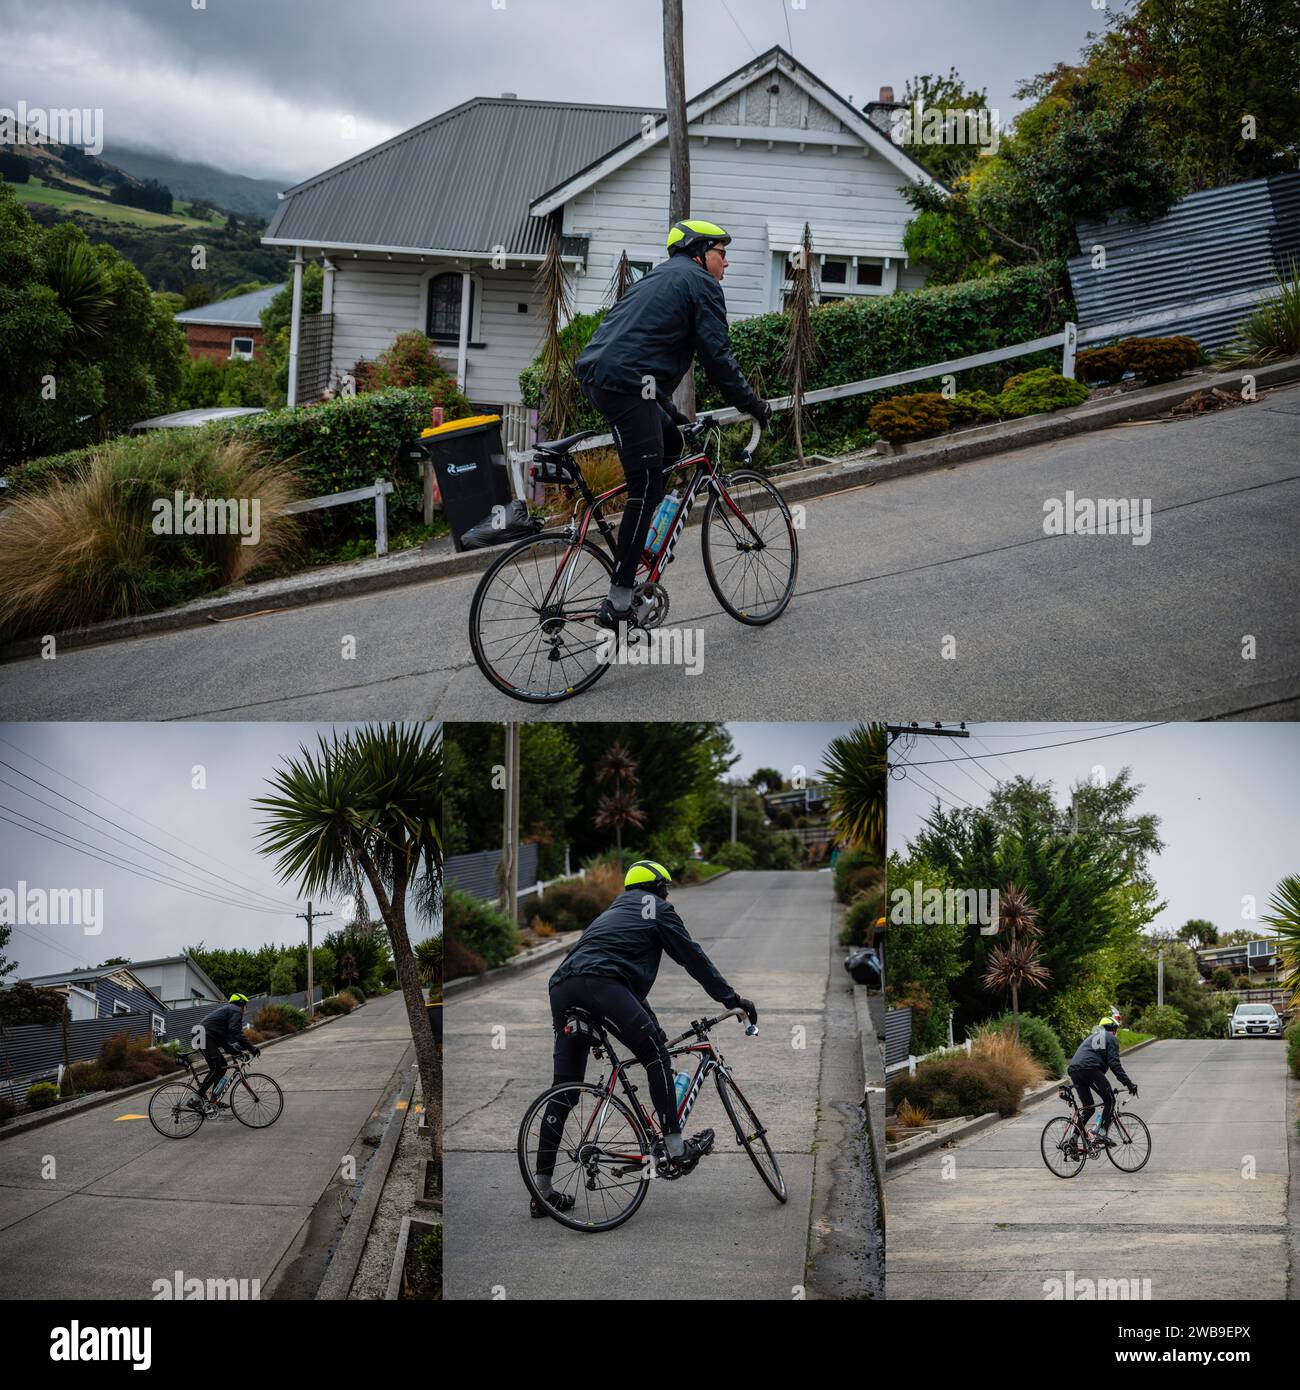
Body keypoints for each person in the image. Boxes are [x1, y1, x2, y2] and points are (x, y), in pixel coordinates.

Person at [574, 219, 772, 629]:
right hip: (625, 386)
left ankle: (641, 547)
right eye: (721, 253)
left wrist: (676, 416)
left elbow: (639, 352)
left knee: (670, 446)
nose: (726, 263)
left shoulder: (660, 278)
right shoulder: (701, 283)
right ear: (701, 253)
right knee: (645, 488)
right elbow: (719, 360)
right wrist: (754, 405)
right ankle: (620, 597)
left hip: (607, 380)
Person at [532, 859, 757, 1216]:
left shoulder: (613, 911)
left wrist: (649, 1027)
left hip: (563, 987)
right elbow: (693, 959)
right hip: (601, 984)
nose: (668, 895)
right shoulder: (658, 909)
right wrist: (732, 999)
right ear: (659, 888)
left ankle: (541, 1191)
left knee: (566, 1089)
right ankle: (674, 1148)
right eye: (666, 889)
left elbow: (618, 982)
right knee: (656, 1057)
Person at [1067, 1015, 1137, 1148]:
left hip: (1074, 1069)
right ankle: (1102, 1133)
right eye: (1115, 1030)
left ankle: (1073, 1139)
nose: (1115, 1033)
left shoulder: (1091, 1037)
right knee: (1110, 1100)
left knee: (1088, 1107)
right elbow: (1114, 1064)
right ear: (1113, 1029)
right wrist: (1129, 1083)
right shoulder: (1111, 1039)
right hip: (1089, 1069)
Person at [189, 993, 260, 1111]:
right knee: (217, 1067)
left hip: (204, 1035)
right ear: (241, 1003)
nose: (245, 1009)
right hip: (203, 1035)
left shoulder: (227, 1014)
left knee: (223, 1067)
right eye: (245, 1005)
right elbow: (236, 1032)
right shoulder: (235, 1010)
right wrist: (251, 1048)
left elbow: (225, 1044)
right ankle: (195, 1098)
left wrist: (239, 1053)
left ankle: (213, 1101)